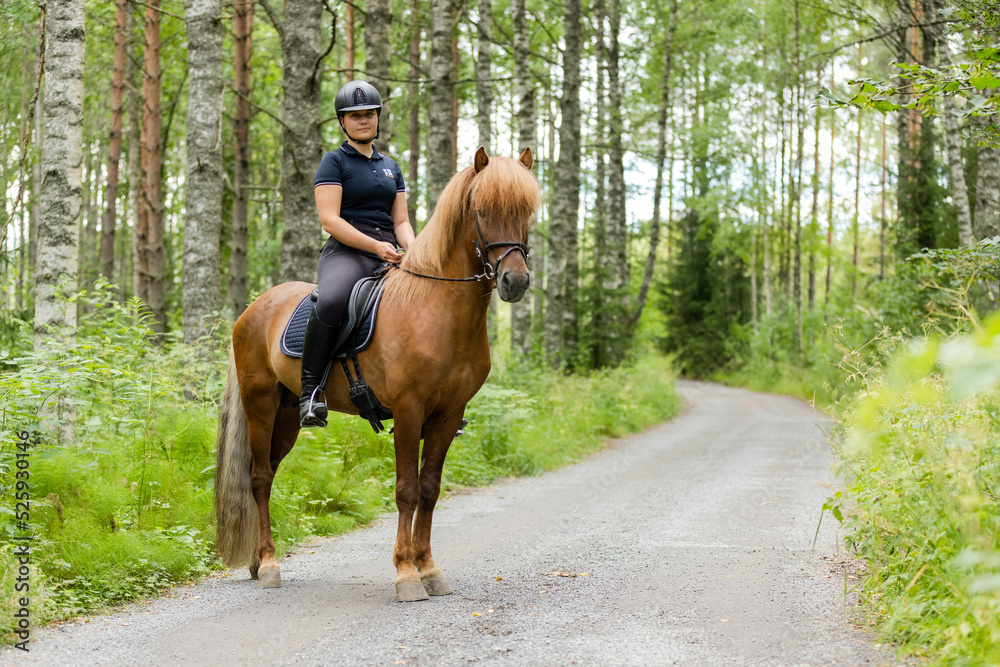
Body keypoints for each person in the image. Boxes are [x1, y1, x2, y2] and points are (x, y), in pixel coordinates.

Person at [300, 80, 416, 427]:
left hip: (389, 251)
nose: (363, 120)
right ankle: (310, 394)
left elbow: (402, 221)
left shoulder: (391, 166)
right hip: (347, 251)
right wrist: (374, 246)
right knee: (333, 299)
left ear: (378, 118)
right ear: (342, 122)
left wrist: (415, 250)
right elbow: (329, 220)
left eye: (369, 114)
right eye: (355, 116)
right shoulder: (333, 162)